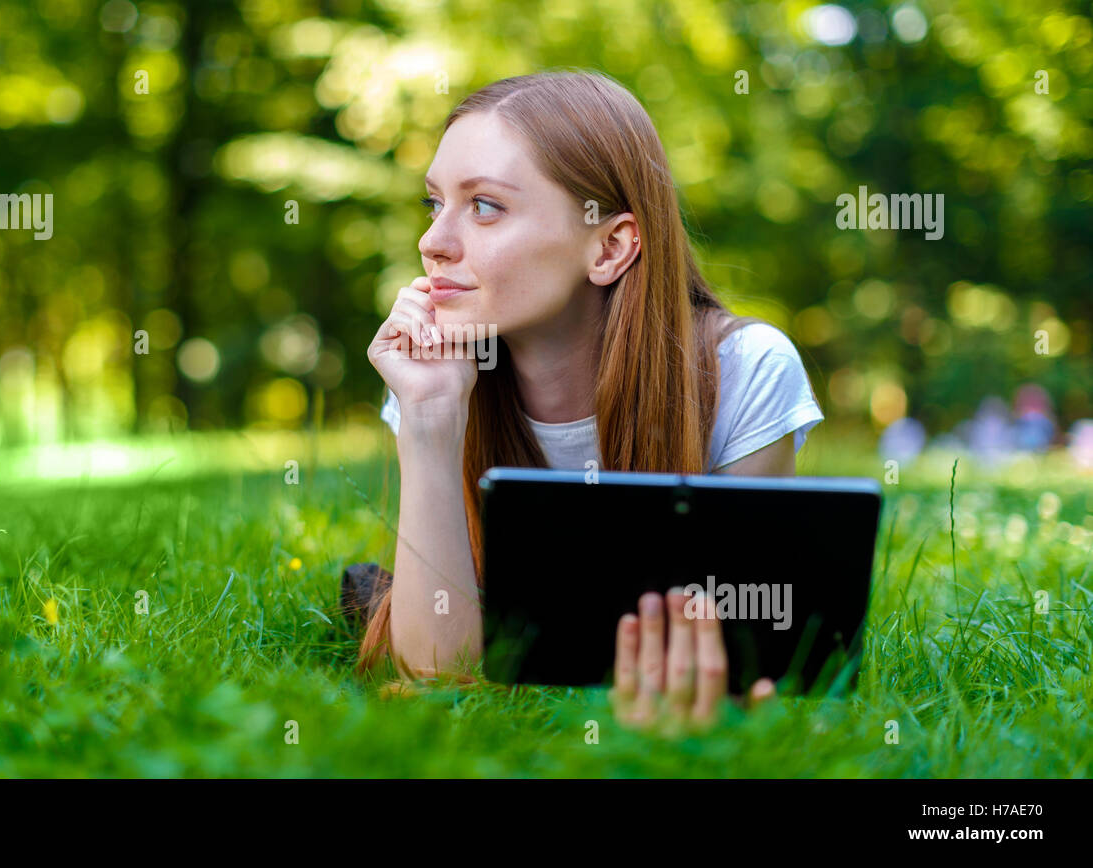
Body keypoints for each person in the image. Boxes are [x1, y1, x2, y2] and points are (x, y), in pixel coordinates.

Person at [351, 69, 823, 731]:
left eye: (484, 206)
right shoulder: (436, 373)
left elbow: (740, 661)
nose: (433, 242)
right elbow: (439, 682)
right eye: (435, 204)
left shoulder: (743, 371)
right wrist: (430, 421)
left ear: (609, 246)